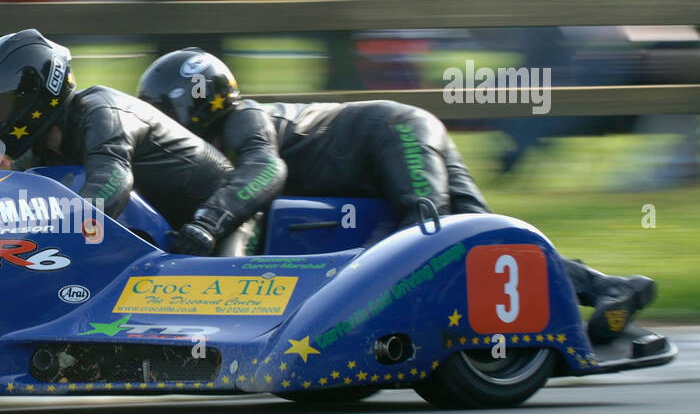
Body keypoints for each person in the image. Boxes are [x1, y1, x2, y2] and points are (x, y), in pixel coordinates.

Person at [136, 48, 657, 343]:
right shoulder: (220, 138)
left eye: (164, 114)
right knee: (486, 245)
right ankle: (611, 287)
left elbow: (264, 171)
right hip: (386, 154)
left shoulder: (244, 119)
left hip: (394, 133)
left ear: (196, 106)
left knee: (427, 234)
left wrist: (205, 224)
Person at [0, 30, 233, 234]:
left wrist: (57, 232)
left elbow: (112, 182)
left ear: (36, 97)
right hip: (162, 227)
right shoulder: (36, 145)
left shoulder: (101, 111)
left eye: (1, 107)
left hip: (219, 214)